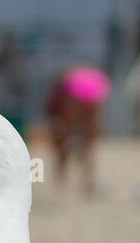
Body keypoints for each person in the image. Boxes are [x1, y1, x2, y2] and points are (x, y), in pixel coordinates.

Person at [46, 66, 110, 196]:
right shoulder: (92, 85)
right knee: (88, 149)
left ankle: (62, 178)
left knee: (64, 144)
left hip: (75, 100)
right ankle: (86, 182)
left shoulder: (61, 92)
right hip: (91, 95)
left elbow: (54, 114)